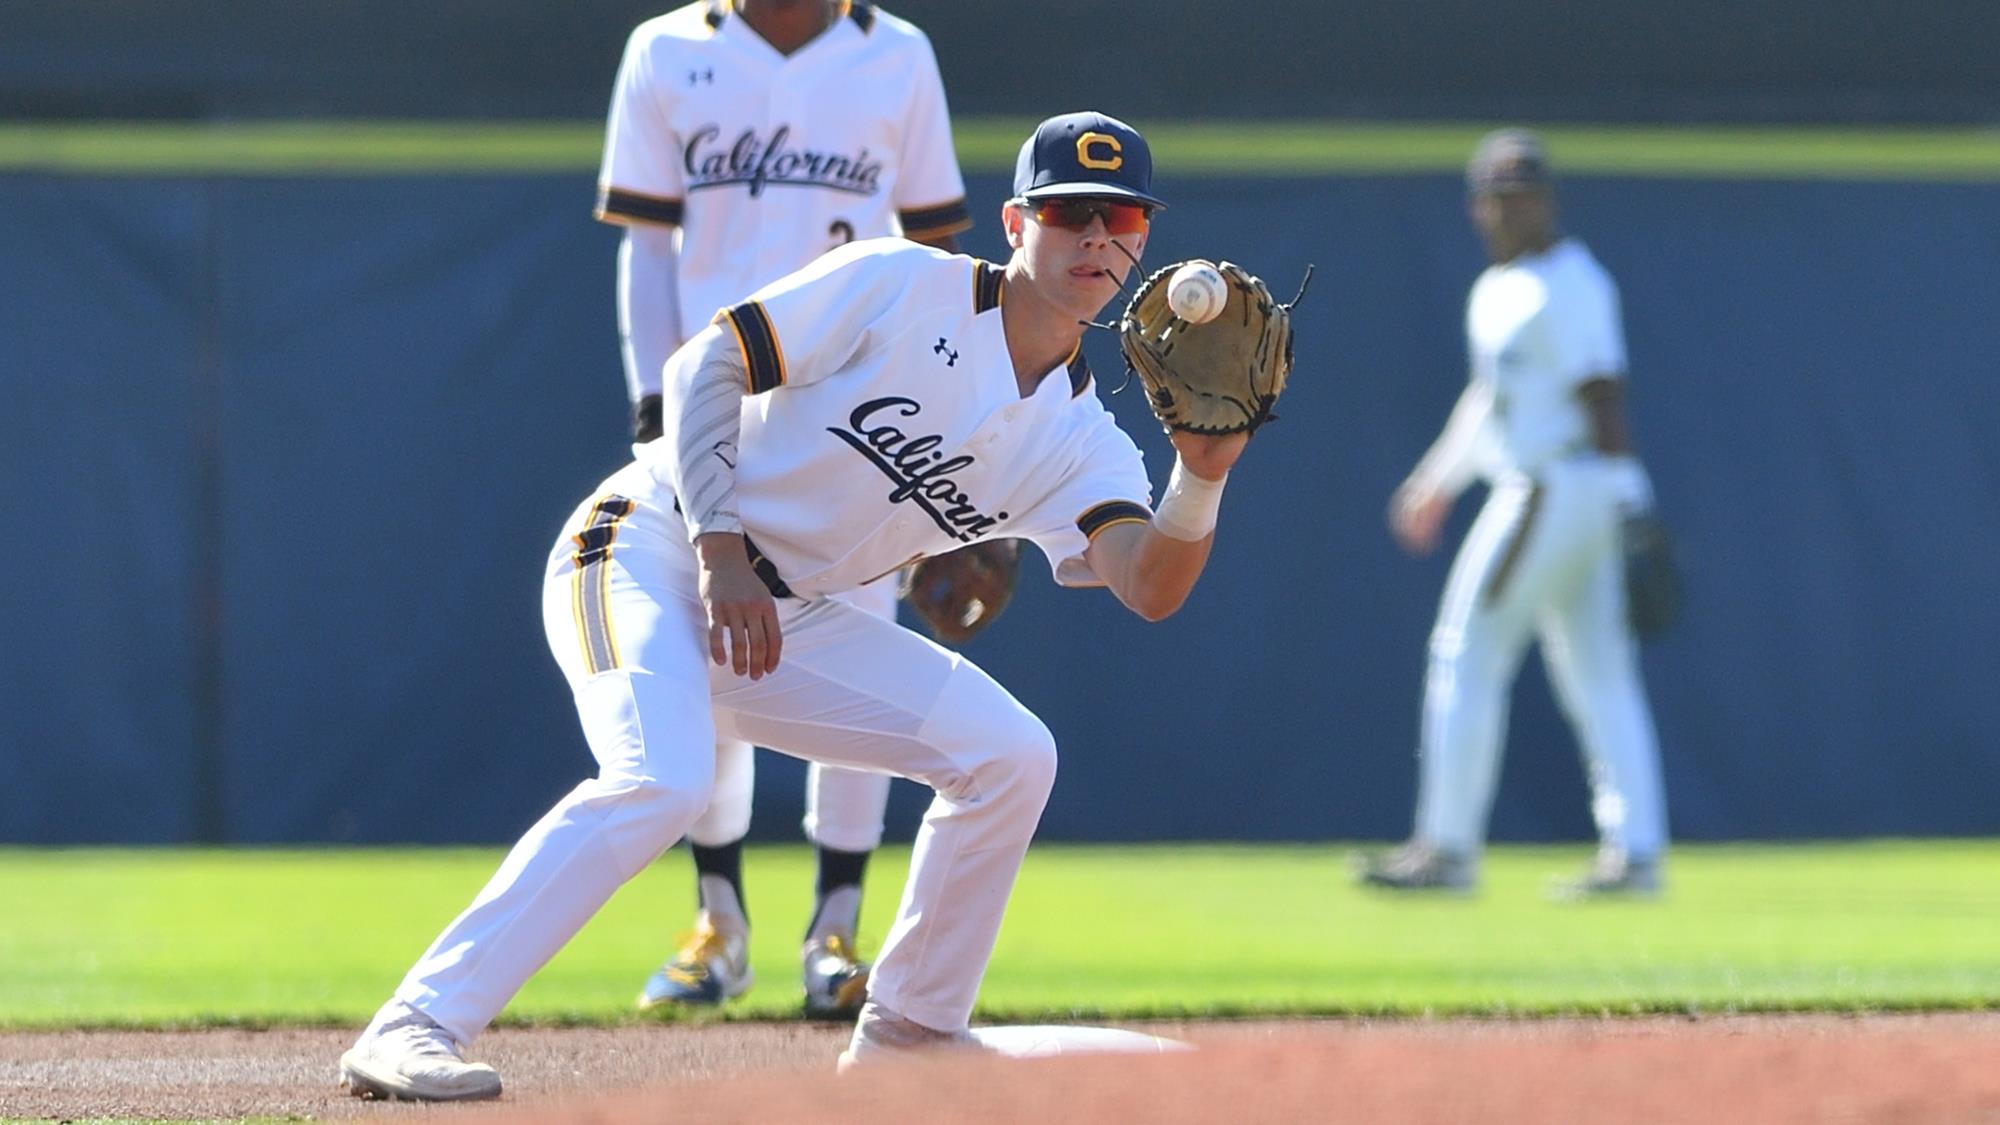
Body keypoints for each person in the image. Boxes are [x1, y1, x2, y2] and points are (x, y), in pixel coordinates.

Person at [338, 110, 1261, 1100]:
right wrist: (719, 548)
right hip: (648, 539)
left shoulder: (1082, 442)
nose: (1092, 237)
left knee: (1010, 755)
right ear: (1012, 222)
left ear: (1143, 237)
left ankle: (910, 1032)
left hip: (789, 619)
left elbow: (1147, 584)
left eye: (1116, 213)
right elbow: (706, 363)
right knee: (664, 776)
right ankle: (415, 1022)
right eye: (1064, 211)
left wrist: (1200, 475)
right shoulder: (902, 281)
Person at [592, 0, 974, 1019]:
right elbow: (646, 246)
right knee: (702, 665)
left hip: (849, 415)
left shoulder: (896, 54)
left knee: (858, 657)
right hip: (710, 407)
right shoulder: (667, 49)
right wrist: (652, 409)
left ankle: (833, 931)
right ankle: (718, 921)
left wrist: (936, 423)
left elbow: (938, 255)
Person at [1352, 129, 1669, 900]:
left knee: (1467, 650)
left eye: (1524, 194)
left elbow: (1604, 396)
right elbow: (1487, 402)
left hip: (1558, 486)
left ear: (1548, 201)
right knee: (1597, 671)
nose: (1511, 208)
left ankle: (1448, 847)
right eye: (1499, 195)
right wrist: (1437, 480)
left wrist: (1633, 504)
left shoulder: (1572, 281)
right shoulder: (1498, 288)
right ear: (1477, 206)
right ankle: (1636, 853)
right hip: (1548, 483)